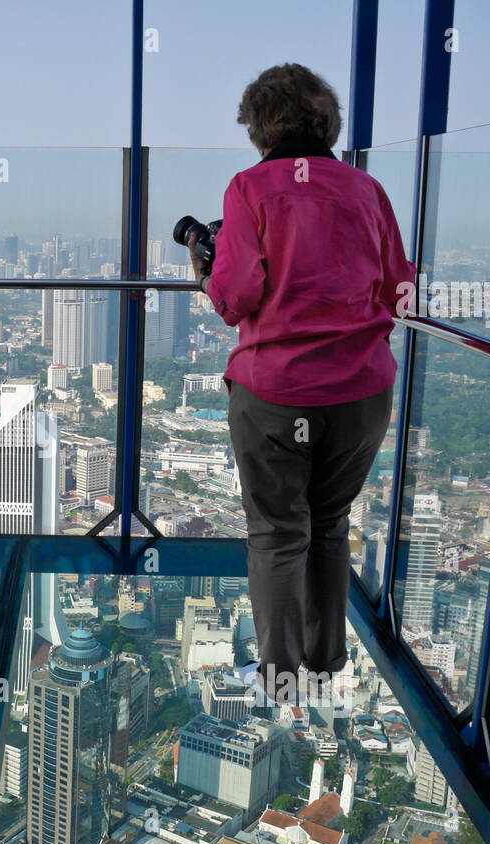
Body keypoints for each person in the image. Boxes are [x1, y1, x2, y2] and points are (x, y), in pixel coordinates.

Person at [188, 63, 416, 707]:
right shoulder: (366, 192)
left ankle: (283, 679)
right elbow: (400, 291)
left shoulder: (251, 190)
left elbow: (235, 298)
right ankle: (326, 661)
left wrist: (204, 274)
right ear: (327, 123)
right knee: (330, 521)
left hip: (275, 394)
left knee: (277, 533)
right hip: (360, 393)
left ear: (258, 129)